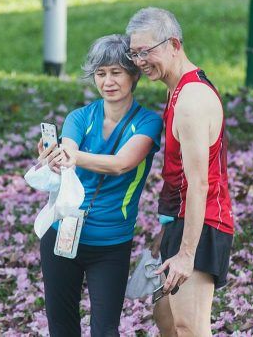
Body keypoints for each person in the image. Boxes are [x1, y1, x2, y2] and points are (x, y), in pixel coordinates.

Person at [37, 34, 163, 337]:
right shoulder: (80, 117)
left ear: (133, 75)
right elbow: (67, 151)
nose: (108, 81)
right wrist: (53, 158)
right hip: (62, 234)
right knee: (62, 328)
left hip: (110, 243)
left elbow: (122, 163)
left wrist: (72, 156)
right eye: (101, 73)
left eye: (116, 72)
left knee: (106, 330)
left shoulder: (148, 122)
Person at [125, 8, 234, 337]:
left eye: (147, 51)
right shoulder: (175, 90)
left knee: (190, 328)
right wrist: (164, 235)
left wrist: (187, 254)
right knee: (167, 321)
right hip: (179, 221)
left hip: (204, 225)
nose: (140, 61)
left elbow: (199, 184)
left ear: (174, 43)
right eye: (135, 53)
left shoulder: (192, 99)